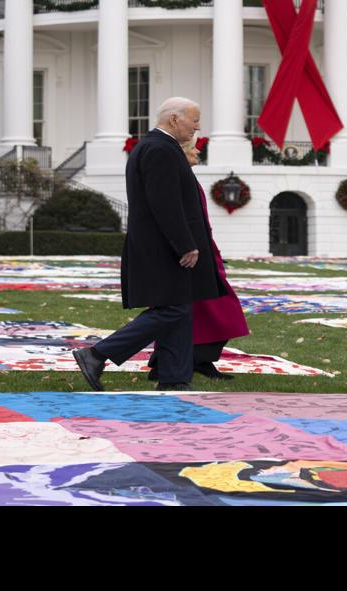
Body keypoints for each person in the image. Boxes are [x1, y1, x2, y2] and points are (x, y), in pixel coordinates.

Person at [71, 96, 222, 391]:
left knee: (179, 308)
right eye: (194, 120)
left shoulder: (160, 147)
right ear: (174, 119)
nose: (197, 127)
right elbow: (165, 203)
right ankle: (97, 354)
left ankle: (174, 379)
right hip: (162, 248)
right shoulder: (159, 149)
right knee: (174, 310)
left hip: (162, 246)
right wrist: (185, 244)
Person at [147, 136, 249, 382]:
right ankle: (185, 361)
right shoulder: (179, 178)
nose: (198, 152)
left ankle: (182, 361)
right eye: (193, 149)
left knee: (201, 311)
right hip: (190, 254)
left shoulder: (188, 177)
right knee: (216, 310)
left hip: (202, 251)